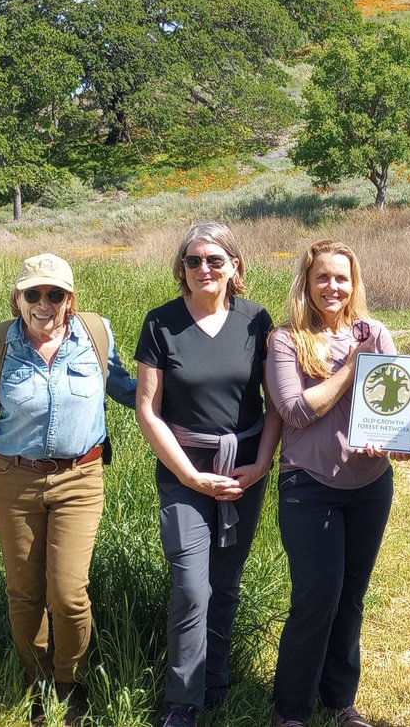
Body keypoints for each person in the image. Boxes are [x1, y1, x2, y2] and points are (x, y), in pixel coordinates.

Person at [134, 222, 283, 727]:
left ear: (234, 266)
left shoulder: (256, 321)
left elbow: (274, 404)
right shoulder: (161, 323)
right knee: (191, 586)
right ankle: (182, 700)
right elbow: (148, 411)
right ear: (182, 267)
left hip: (243, 469)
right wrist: (191, 477)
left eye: (215, 260)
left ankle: (216, 680)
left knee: (226, 580)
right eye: (194, 260)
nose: (204, 269)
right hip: (183, 471)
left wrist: (261, 464)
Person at [0, 253, 136, 726]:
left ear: (71, 299)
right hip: (14, 480)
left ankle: (69, 683)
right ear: (18, 299)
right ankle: (37, 684)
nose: (44, 303)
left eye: (55, 294)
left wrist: (192, 400)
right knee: (24, 592)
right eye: (33, 293)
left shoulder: (95, 335)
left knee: (68, 593)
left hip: (80, 479)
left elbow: (129, 389)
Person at [267, 240, 398, 727]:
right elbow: (295, 410)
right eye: (322, 276)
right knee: (316, 597)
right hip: (309, 484)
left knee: (350, 597)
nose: (332, 287)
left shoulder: (375, 332)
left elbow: (391, 406)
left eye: (342, 278)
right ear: (307, 281)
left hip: (370, 486)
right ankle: (292, 710)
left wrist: (387, 440)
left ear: (353, 283)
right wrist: (351, 366)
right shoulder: (286, 340)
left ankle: (340, 700)